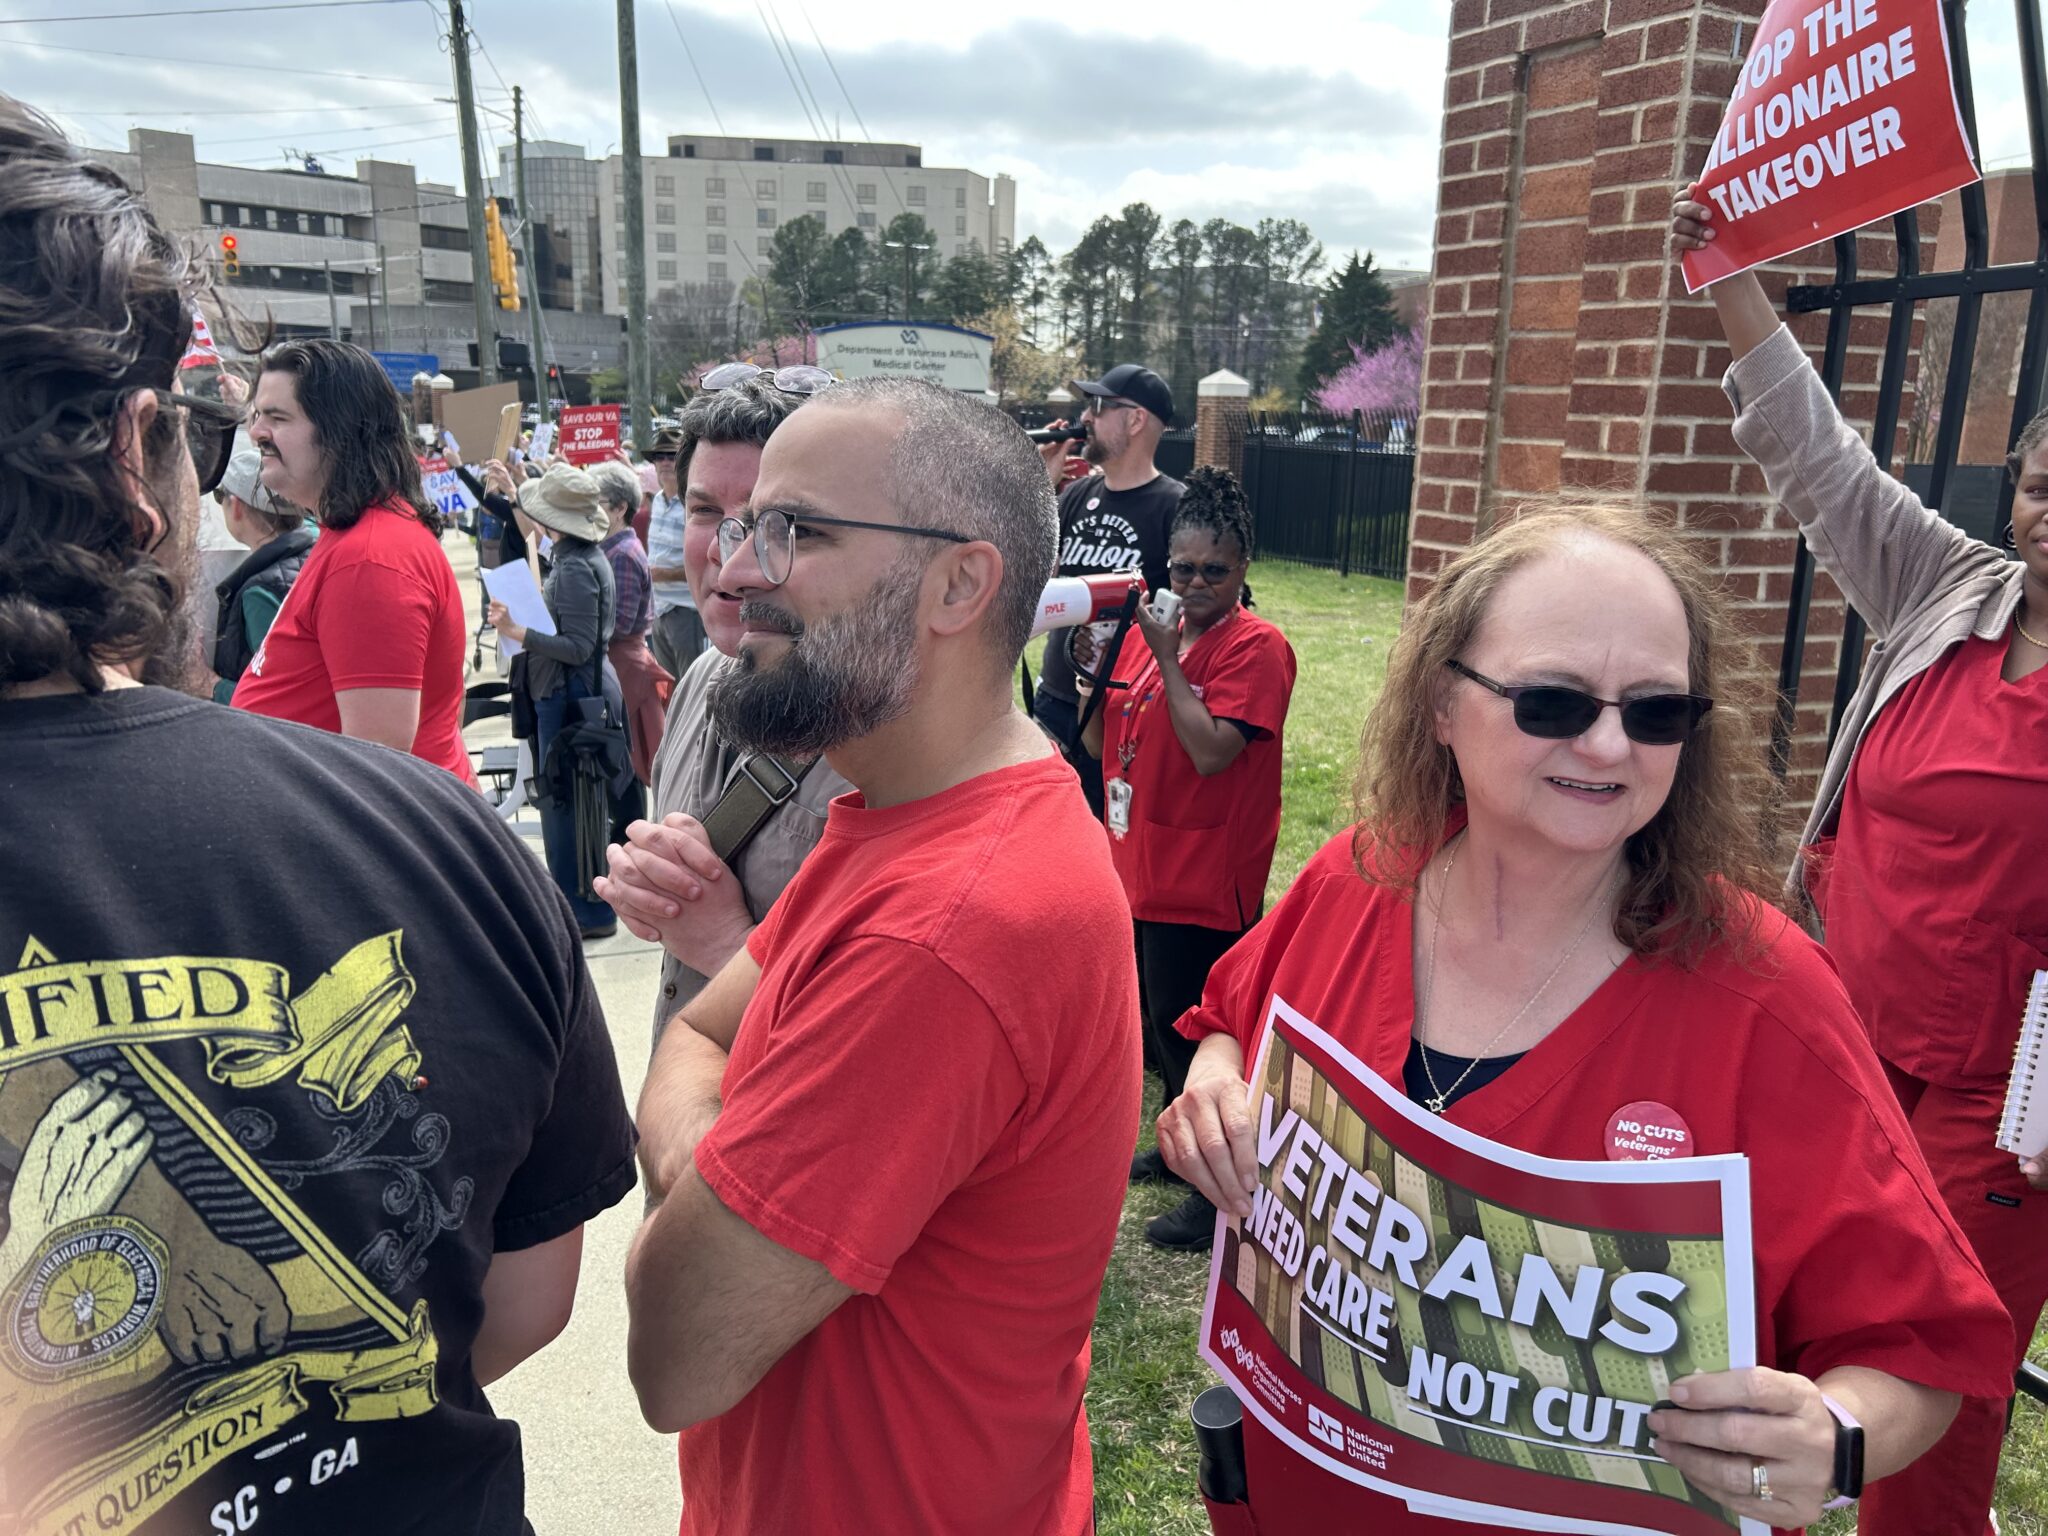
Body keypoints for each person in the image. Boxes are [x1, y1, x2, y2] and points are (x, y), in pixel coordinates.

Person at [0, 95, 636, 1534]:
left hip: (451, 798)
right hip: (440, 802)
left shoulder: (407, 562)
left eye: (277, 426)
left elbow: (436, 706)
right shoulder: (455, 549)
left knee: (585, 850)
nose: (254, 458)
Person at [1156, 502, 2015, 1532]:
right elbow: (1231, 1019)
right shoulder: (1353, 879)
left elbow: (1921, 1349)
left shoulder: (1767, 999)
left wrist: (1834, 1439)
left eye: (1654, 711)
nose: (1608, 744)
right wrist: (1211, 1090)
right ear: (1439, 701)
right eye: (1553, 701)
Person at [618, 378, 1140, 1534]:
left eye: (795, 531)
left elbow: (678, 1349)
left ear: (959, 583)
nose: (737, 569)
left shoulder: (943, 931)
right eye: (743, 524)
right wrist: (722, 1160)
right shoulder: (901, 810)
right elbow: (705, 1024)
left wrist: (696, 1173)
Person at [1674, 187, 2048, 1536]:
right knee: (1796, 1320)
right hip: (1844, 1039)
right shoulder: (1950, 588)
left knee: (1937, 1382)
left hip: (1997, 1108)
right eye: (2046, 482)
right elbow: (1818, 460)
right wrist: (1728, 276)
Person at [593, 376, 850, 1050]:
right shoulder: (705, 675)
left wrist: (727, 945)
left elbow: (893, 1038)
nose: (729, 558)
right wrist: (650, 886)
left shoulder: (887, 739)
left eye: (777, 521)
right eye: (706, 511)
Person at [1076, 466, 1295, 1251]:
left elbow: (1208, 754)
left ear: (1243, 571)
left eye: (1216, 571)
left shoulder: (1257, 648)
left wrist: (1168, 659)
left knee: (1196, 1032)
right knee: (1159, 1020)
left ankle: (1218, 1192)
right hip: (1138, 859)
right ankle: (1180, 1150)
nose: (1196, 584)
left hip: (1204, 876)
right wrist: (1093, 666)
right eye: (1182, 568)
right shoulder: (1145, 629)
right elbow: (1099, 742)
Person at [232, 339, 476, 786]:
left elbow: (376, 774)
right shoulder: (352, 537)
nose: (257, 432)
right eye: (256, 415)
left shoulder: (369, 559)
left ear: (339, 432)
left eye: (278, 417)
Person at [1032, 364, 1183, 817]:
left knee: (1107, 843)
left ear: (1136, 420)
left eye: (1098, 406)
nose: (1086, 417)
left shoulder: (1173, 505)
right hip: (1056, 698)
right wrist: (1043, 481)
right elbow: (1030, 575)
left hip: (1121, 711)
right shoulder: (1077, 494)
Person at [487, 461, 620, 941]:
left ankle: (582, 911)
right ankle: (578, 906)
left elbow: (578, 647)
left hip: (567, 700)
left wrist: (516, 630)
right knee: (566, 806)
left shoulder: (578, 566)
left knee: (565, 809)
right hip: (565, 696)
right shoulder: (577, 555)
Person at [589, 458, 671, 805]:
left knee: (627, 765)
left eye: (596, 503)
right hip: (624, 662)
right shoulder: (614, 548)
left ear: (620, 508)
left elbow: (619, 624)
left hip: (625, 666)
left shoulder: (620, 553)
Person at [210, 440, 315, 705]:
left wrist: (211, 685)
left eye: (219, 496)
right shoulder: (322, 545)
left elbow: (278, 702)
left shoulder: (262, 592)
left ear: (236, 506)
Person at [644, 425, 706, 673]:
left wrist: (663, 575)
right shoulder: (658, 500)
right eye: (660, 457)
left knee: (690, 685)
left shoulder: (692, 504)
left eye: (672, 456)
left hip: (685, 610)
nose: (666, 463)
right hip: (660, 609)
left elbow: (707, 563)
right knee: (669, 689)